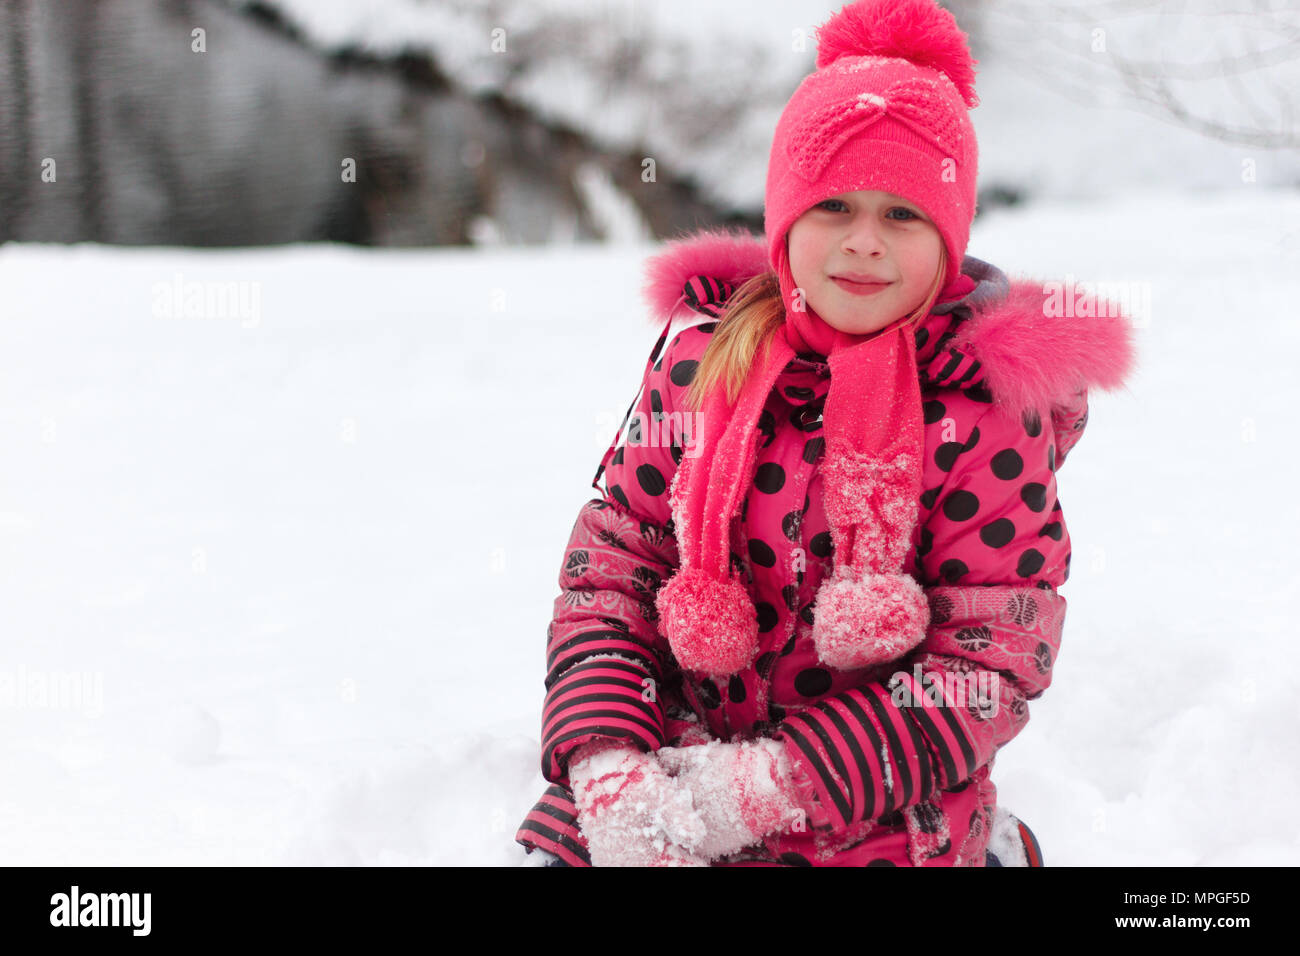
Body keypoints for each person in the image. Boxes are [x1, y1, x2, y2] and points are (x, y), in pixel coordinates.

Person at [514, 0, 1136, 866]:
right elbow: (615, 565)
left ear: (950, 239)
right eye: (834, 205)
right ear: (784, 221)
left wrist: (769, 787)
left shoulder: (984, 414)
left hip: (871, 790)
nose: (865, 244)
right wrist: (610, 757)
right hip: (675, 752)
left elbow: (989, 656)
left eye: (903, 215)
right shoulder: (702, 363)